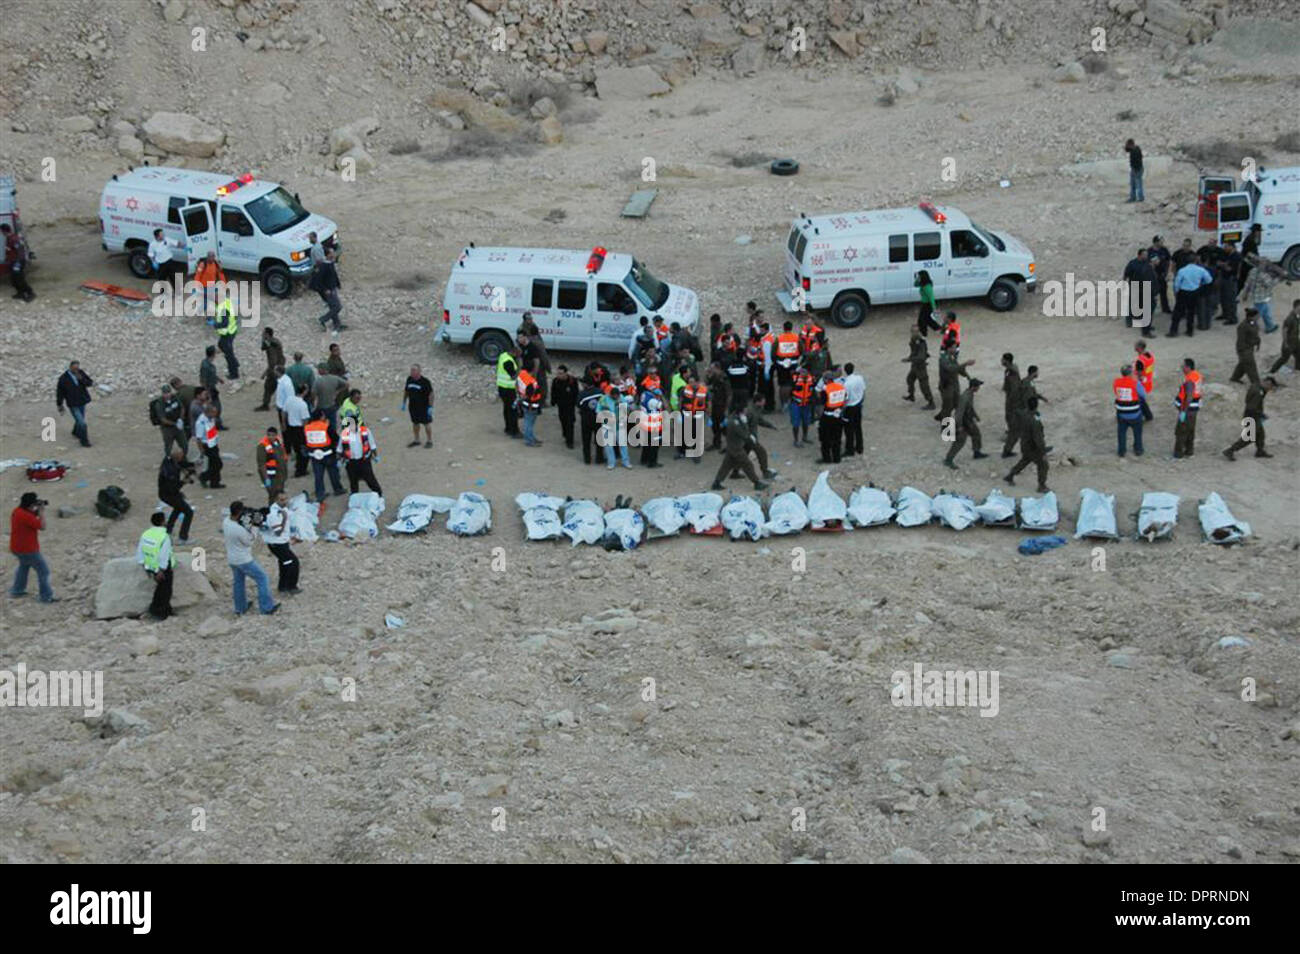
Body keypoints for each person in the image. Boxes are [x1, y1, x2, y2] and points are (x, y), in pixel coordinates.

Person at [223, 501, 279, 616]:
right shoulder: (238, 529)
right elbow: (249, 541)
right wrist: (255, 526)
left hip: (232, 559)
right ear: (239, 512)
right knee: (262, 578)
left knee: (238, 582)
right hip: (243, 560)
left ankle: (240, 608)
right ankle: (266, 608)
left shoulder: (226, 521)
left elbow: (242, 524)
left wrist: (249, 522)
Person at [9, 493, 55, 602]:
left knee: (24, 567)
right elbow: (42, 526)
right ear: (31, 505)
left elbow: (30, 516)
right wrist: (42, 512)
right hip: (28, 550)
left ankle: (17, 590)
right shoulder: (26, 516)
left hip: (17, 548)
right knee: (44, 571)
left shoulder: (17, 511)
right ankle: (46, 597)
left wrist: (36, 511)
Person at [710, 410, 769, 492]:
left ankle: (717, 483)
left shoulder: (732, 420)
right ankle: (756, 483)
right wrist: (745, 426)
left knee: (726, 466)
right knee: (747, 464)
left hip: (732, 447)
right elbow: (744, 434)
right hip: (736, 448)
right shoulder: (735, 423)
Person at [1003, 396, 1050, 493]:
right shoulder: (1035, 421)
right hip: (1033, 447)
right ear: (1036, 406)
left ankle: (1010, 475)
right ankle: (1041, 486)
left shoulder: (1024, 414)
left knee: (1025, 460)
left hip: (1024, 444)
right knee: (1043, 465)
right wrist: (1043, 451)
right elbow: (1038, 439)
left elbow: (1017, 412)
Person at [1223, 377, 1276, 461]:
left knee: (1260, 434)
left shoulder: (1256, 387)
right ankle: (1230, 450)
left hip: (1253, 415)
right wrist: (1262, 414)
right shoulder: (1258, 392)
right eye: (1270, 387)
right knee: (1249, 437)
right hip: (1252, 416)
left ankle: (1260, 451)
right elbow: (1252, 408)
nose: (1270, 389)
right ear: (1267, 383)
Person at [135, 512, 175, 620]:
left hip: (150, 565)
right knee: (164, 591)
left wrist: (145, 566)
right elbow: (164, 555)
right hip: (162, 569)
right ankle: (159, 612)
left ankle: (166, 610)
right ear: (162, 522)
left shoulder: (146, 534)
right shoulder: (164, 537)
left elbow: (140, 551)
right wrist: (160, 570)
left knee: (161, 589)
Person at [262, 490, 300, 594]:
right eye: (282, 500)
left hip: (282, 542)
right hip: (277, 543)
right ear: (276, 500)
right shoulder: (274, 514)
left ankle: (283, 586)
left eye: (285, 499)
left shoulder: (282, 509)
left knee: (284, 563)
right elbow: (278, 532)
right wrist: (284, 519)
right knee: (293, 563)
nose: (284, 501)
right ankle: (291, 586)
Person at [943, 378, 987, 469]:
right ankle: (948, 460)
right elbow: (959, 414)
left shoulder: (970, 394)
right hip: (963, 422)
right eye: (978, 386)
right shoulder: (965, 397)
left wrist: (975, 416)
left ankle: (976, 452)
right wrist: (959, 427)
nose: (979, 388)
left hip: (969, 420)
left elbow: (970, 407)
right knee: (959, 442)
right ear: (974, 387)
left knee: (976, 434)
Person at [303, 408, 345, 501]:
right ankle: (337, 489)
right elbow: (335, 439)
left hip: (314, 455)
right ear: (322, 416)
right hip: (328, 454)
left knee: (318, 475)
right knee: (333, 472)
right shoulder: (326, 426)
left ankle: (320, 493)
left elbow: (305, 441)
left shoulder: (307, 428)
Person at [158, 448, 195, 542]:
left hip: (165, 492)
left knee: (178, 508)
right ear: (178, 457)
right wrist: (184, 481)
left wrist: (186, 469)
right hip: (169, 494)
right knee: (188, 512)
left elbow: (180, 465)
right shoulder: (172, 471)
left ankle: (168, 530)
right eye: (182, 456)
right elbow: (174, 487)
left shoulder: (168, 460)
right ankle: (183, 537)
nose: (183, 457)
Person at [1170, 253, 1212, 337]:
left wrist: (1176, 291)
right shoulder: (1201, 270)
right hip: (1194, 292)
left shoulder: (1182, 270)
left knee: (1177, 312)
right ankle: (1190, 331)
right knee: (1191, 312)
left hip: (1183, 292)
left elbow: (1177, 283)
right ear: (1196, 260)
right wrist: (1201, 283)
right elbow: (1209, 280)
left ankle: (1174, 331)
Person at [55, 360, 94, 447]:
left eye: (77, 368)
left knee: (80, 419)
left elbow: (90, 383)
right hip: (73, 404)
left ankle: (75, 432)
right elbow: (60, 393)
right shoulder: (63, 379)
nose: (76, 370)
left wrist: (81, 379)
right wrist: (60, 404)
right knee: (82, 422)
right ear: (70, 367)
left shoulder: (81, 373)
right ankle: (84, 441)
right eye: (74, 368)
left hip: (82, 401)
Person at [1240, 256, 1282, 334]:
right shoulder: (1263, 275)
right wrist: (1279, 278)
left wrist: (1245, 293)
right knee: (1256, 316)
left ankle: (1270, 326)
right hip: (1262, 298)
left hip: (1256, 297)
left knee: (1266, 312)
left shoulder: (1253, 271)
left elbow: (1247, 283)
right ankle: (1248, 329)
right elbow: (1271, 284)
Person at [340, 416, 382, 494]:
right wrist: (339, 460)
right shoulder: (344, 434)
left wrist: (376, 456)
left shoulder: (365, 431)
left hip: (364, 460)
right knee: (353, 481)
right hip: (351, 462)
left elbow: (372, 445)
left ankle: (379, 494)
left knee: (370, 479)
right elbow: (340, 449)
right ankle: (354, 498)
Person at [1112, 363, 1146, 457]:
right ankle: (1138, 449)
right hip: (1134, 413)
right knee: (1137, 432)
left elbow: (1116, 393)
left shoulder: (1116, 382)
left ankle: (1121, 451)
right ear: (1131, 373)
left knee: (1121, 432)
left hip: (1121, 412)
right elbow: (1143, 395)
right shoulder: (1136, 383)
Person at [936, 343, 973, 424]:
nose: (955, 350)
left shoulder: (952, 357)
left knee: (957, 404)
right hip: (947, 386)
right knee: (948, 407)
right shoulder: (943, 359)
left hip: (954, 385)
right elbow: (951, 369)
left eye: (955, 348)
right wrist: (965, 364)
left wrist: (967, 376)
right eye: (953, 348)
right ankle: (946, 429)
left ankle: (963, 422)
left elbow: (957, 368)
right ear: (948, 349)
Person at [310, 247, 346, 331]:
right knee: (337, 306)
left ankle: (337, 324)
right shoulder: (323, 266)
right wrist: (325, 289)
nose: (333, 254)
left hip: (332, 288)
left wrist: (338, 284)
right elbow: (318, 281)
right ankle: (323, 319)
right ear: (328, 255)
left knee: (333, 306)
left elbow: (333, 275)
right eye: (332, 253)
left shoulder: (330, 263)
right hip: (329, 290)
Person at [1173, 358, 1202, 459]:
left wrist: (1183, 412)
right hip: (1193, 410)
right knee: (1190, 430)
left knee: (1181, 432)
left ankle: (1178, 454)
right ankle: (1189, 451)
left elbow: (1189, 397)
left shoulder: (1189, 380)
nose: (1182, 368)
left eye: (1183, 366)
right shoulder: (1196, 375)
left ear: (1188, 367)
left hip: (1187, 410)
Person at [596, 386, 631, 469]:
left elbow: (627, 411)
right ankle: (611, 462)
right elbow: (598, 411)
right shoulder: (603, 399)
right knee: (608, 445)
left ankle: (625, 461)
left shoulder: (622, 398)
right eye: (614, 396)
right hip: (607, 425)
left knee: (623, 444)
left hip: (619, 425)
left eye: (617, 396)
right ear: (610, 395)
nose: (616, 398)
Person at [816, 368, 846, 464]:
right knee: (837, 438)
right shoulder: (841, 387)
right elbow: (845, 400)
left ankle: (827, 459)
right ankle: (837, 458)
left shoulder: (825, 390)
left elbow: (822, 404)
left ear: (826, 380)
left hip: (827, 417)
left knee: (825, 439)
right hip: (838, 415)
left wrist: (819, 418)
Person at [903, 325, 936, 409]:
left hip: (920, 367)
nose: (914, 333)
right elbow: (913, 351)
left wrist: (909, 359)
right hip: (915, 365)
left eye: (916, 331)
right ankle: (911, 395)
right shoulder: (913, 340)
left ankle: (931, 402)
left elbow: (921, 357)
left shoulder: (921, 342)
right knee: (910, 379)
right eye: (913, 331)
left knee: (924, 386)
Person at [1122, 248, 1155, 329]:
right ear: (1139, 255)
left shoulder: (1147, 263)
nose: (1146, 256)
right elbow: (1126, 273)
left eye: (1147, 255)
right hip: (1135, 286)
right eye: (1145, 255)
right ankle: (1129, 320)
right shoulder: (1133, 263)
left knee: (1143, 304)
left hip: (1145, 286)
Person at [1, 222, 35, 302]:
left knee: (19, 279)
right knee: (13, 279)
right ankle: (20, 293)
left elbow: (20, 251)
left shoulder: (14, 239)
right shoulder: (9, 238)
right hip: (13, 262)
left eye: (1, 231)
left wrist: (17, 263)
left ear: (4, 231)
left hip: (18, 262)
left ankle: (30, 293)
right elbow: (10, 251)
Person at [152, 383, 187, 457]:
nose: (167, 395)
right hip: (167, 429)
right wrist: (175, 424)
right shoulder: (160, 404)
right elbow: (163, 419)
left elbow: (182, 408)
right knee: (168, 446)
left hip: (178, 425)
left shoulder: (175, 397)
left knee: (184, 444)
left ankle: (183, 459)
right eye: (165, 393)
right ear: (162, 394)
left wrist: (180, 419)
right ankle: (169, 460)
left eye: (168, 392)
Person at [283, 385, 312, 477]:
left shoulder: (289, 400)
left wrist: (284, 424)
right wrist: (306, 432)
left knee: (296, 448)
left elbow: (284, 413)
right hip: (300, 429)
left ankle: (298, 466)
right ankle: (301, 470)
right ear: (304, 392)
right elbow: (305, 420)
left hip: (290, 427)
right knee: (303, 450)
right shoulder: (303, 404)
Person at [403, 364, 434, 448]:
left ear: (419, 371)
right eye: (411, 370)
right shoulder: (409, 379)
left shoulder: (425, 382)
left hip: (423, 407)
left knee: (426, 423)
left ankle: (429, 440)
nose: (412, 372)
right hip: (413, 406)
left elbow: (431, 394)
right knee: (415, 423)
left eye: (414, 370)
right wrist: (404, 402)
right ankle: (417, 440)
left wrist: (430, 407)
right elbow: (406, 391)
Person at [1229, 308, 1262, 386]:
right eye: (1257, 316)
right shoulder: (1243, 326)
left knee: (1243, 364)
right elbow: (1241, 340)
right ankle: (1256, 382)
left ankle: (1235, 377)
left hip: (1250, 347)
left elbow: (1255, 334)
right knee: (1251, 365)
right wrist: (1243, 352)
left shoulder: (1254, 323)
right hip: (1245, 349)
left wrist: (1258, 342)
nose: (1258, 317)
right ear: (1251, 317)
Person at [195, 402, 224, 488]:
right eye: (213, 412)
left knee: (213, 464)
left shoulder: (211, 418)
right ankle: (204, 477)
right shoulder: (201, 422)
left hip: (213, 443)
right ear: (208, 412)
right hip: (207, 445)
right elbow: (199, 438)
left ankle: (215, 483)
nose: (215, 414)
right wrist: (201, 450)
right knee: (218, 464)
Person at [256, 426, 288, 503]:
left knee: (280, 494)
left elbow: (282, 457)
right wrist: (266, 479)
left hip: (280, 474)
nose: (271, 437)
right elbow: (261, 464)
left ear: (276, 435)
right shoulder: (262, 446)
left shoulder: (278, 442)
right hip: (270, 475)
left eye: (273, 435)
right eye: (269, 435)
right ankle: (272, 511)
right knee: (273, 494)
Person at [256, 327, 285, 411]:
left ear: (267, 335)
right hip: (280, 366)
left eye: (263, 333)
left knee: (268, 386)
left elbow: (273, 361)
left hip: (275, 369)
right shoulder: (274, 341)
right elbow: (263, 347)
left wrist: (265, 372)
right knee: (277, 386)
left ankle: (266, 405)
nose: (262, 335)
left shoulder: (271, 345)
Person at [515, 363, 543, 447]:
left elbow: (517, 386)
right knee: (529, 423)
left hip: (524, 402)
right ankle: (529, 441)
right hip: (531, 405)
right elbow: (532, 396)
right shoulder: (532, 382)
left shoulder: (521, 375)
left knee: (527, 422)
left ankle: (530, 438)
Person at [550, 365, 577, 450]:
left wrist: (576, 403)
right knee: (563, 420)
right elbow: (553, 391)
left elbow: (576, 392)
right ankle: (565, 434)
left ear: (566, 373)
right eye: (558, 373)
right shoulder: (556, 381)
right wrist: (553, 401)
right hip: (561, 405)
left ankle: (570, 441)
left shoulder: (572, 381)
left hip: (570, 405)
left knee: (570, 422)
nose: (559, 375)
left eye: (561, 373)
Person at [312, 366, 348, 432]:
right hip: (331, 405)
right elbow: (346, 384)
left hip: (321, 405)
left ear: (322, 370)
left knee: (316, 423)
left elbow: (313, 394)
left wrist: (313, 402)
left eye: (319, 369)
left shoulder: (318, 381)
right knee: (332, 425)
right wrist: (338, 391)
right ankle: (333, 437)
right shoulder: (335, 378)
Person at [999, 352, 1021, 458]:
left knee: (1010, 415)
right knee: (1009, 415)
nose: (1001, 361)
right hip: (1011, 396)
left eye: (1002, 359)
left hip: (1013, 398)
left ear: (1007, 361)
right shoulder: (1010, 369)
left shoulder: (1011, 372)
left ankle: (1013, 433)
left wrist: (1011, 400)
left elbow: (1014, 387)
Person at [577, 376, 603, 465]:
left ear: (585, 384)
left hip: (586, 419)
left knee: (586, 440)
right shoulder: (600, 392)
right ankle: (599, 458)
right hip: (598, 418)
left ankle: (587, 459)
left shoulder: (582, 394)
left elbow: (579, 405)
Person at [496, 346, 521, 438]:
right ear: (514, 352)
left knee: (507, 408)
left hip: (502, 387)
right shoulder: (508, 362)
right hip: (508, 389)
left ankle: (508, 428)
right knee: (513, 410)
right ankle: (514, 431)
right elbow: (513, 376)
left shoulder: (503, 355)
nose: (519, 356)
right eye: (518, 354)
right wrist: (520, 367)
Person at [841, 362, 865, 457]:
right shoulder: (859, 378)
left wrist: (842, 410)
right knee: (858, 427)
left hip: (850, 407)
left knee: (849, 430)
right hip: (858, 405)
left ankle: (850, 449)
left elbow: (845, 399)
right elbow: (863, 391)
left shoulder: (846, 384)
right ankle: (859, 447)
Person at [1215, 240, 1242, 325]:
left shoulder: (1236, 256)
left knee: (1231, 299)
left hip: (1231, 279)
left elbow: (1229, 269)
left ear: (1231, 246)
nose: (1224, 248)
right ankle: (1225, 314)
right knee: (1223, 298)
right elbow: (1219, 264)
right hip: (1224, 278)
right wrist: (1224, 264)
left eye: (1226, 246)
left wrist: (1222, 264)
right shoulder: (1226, 254)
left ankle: (1233, 318)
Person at [789, 363, 815, 447]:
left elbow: (813, 389)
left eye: (805, 372)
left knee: (806, 421)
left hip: (807, 403)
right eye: (802, 371)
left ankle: (805, 437)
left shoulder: (811, 379)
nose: (803, 373)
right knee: (796, 423)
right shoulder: (795, 378)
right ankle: (796, 440)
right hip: (796, 403)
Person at [1270, 299, 1300, 372]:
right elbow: (1284, 331)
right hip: (1289, 343)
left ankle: (1298, 369)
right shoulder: (1290, 319)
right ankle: (1272, 370)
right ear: (1295, 307)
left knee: (1299, 355)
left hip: (1296, 341)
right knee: (1284, 358)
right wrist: (1286, 343)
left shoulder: (1297, 316)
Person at [200, 345, 225, 429]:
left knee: (215, 407)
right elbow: (203, 380)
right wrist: (206, 393)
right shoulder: (205, 365)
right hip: (209, 389)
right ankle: (216, 425)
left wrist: (218, 379)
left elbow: (212, 375)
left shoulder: (208, 364)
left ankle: (215, 424)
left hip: (212, 387)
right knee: (215, 407)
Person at [639, 386, 665, 467]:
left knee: (646, 444)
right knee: (654, 445)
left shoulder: (645, 395)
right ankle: (652, 462)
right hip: (654, 425)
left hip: (645, 423)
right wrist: (662, 398)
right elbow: (664, 406)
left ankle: (644, 460)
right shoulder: (654, 401)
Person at [1147, 235, 1172, 316]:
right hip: (1152, 275)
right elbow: (1146, 263)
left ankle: (1165, 308)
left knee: (1163, 292)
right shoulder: (1149, 251)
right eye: (1161, 241)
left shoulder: (1164, 250)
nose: (1162, 243)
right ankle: (1149, 309)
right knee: (1151, 293)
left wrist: (1167, 272)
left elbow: (1168, 261)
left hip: (1162, 274)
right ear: (1156, 242)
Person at [1133, 339, 1155, 422]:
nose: (1134, 347)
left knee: (1140, 400)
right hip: (1148, 380)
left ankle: (1145, 415)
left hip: (1141, 383)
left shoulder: (1140, 361)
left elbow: (1139, 374)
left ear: (1139, 348)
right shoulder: (1150, 355)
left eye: (1136, 346)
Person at [915, 269, 940, 334]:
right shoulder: (922, 284)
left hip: (928, 304)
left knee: (922, 319)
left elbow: (931, 297)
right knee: (927, 318)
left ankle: (923, 332)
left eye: (919, 276)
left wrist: (934, 308)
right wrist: (917, 279)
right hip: (924, 304)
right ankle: (937, 328)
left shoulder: (927, 286)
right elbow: (915, 285)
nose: (918, 277)